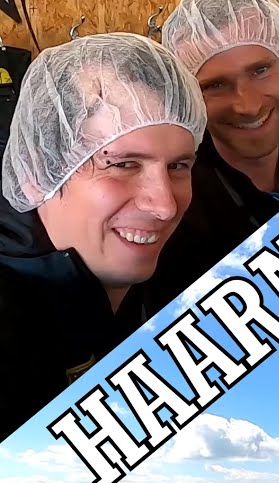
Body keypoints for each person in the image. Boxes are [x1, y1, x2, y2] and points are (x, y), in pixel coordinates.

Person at [0, 33, 207, 442]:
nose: (164, 205)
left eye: (179, 166)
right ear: (37, 169)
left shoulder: (168, 275)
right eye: (124, 164)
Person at [141, 0, 279, 312]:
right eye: (216, 85)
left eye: (260, 70)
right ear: (189, 96)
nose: (248, 106)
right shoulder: (176, 208)